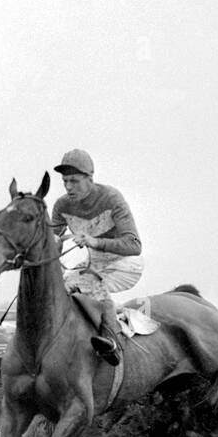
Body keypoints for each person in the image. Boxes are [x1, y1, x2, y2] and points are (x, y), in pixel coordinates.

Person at [49, 149, 144, 365]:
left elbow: (134, 245)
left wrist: (95, 242)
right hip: (93, 265)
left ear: (90, 178)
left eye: (74, 181)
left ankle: (113, 343)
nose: (68, 187)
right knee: (58, 290)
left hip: (125, 264)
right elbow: (52, 242)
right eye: (65, 181)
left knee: (89, 283)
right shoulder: (61, 205)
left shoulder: (111, 198)